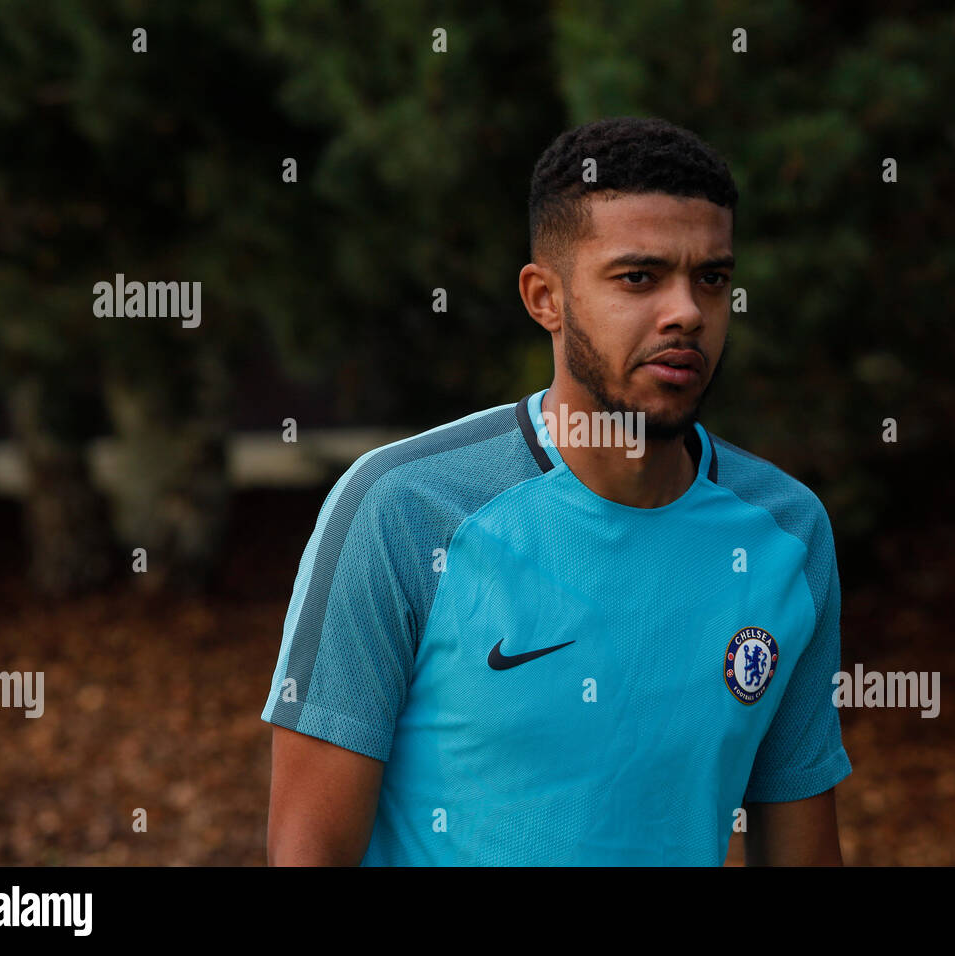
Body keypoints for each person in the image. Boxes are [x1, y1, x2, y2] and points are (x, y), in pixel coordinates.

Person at [262, 116, 850, 865]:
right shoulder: (402, 510)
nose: (687, 312)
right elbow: (308, 856)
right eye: (639, 277)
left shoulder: (787, 533)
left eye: (712, 279)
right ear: (546, 298)